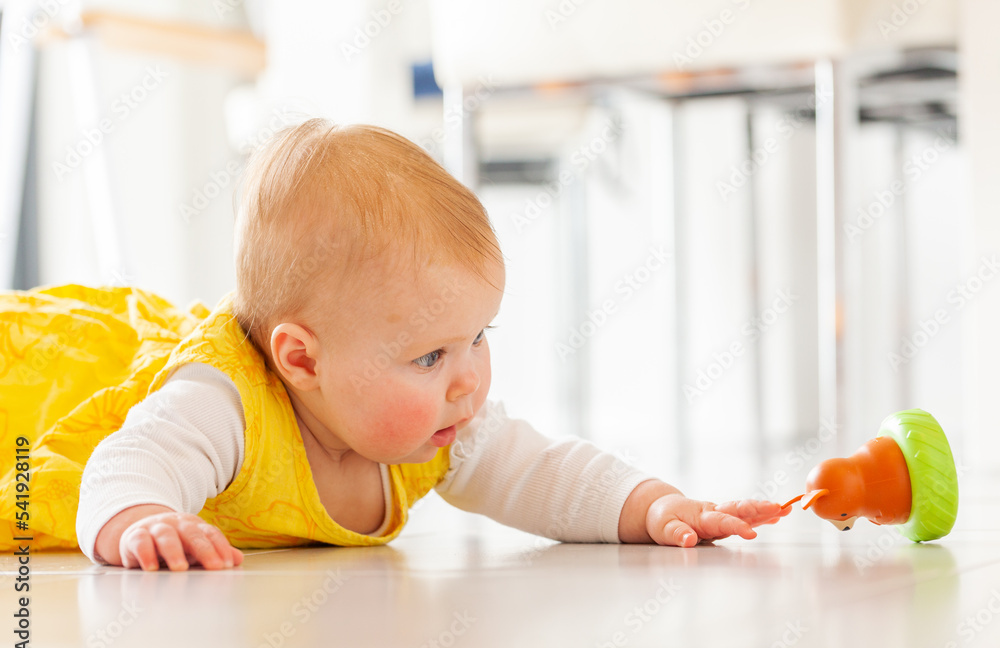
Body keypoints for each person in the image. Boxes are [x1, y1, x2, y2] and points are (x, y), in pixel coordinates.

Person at [0, 120, 788, 570]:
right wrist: (142, 520)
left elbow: (542, 472)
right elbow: (126, 462)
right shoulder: (222, 400)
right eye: (430, 357)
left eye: (479, 338)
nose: (467, 381)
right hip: (52, 399)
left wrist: (655, 507)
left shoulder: (435, 426)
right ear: (302, 360)